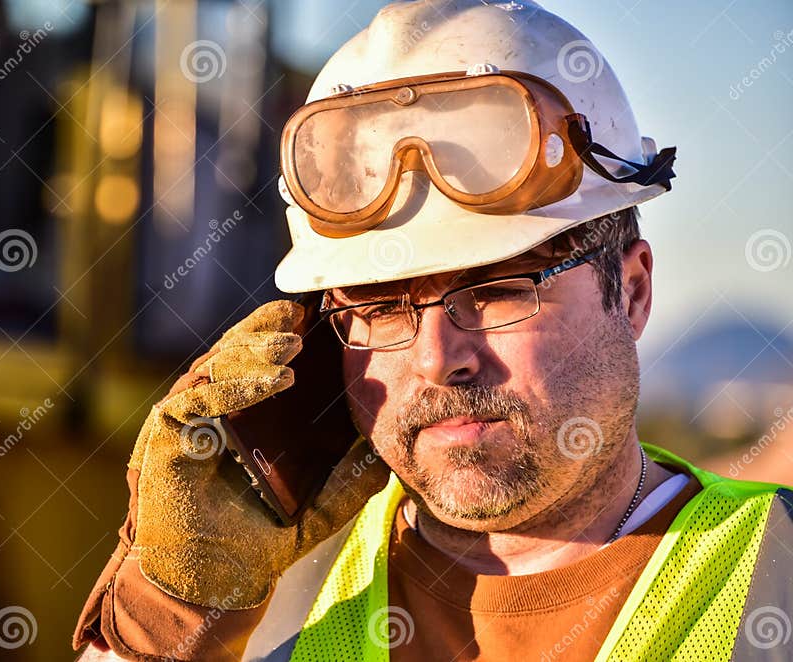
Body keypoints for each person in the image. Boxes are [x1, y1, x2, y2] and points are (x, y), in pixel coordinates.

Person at [73, 2, 793, 660]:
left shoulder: (776, 570)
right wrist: (163, 621)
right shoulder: (265, 599)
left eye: (496, 292)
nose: (436, 359)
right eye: (381, 309)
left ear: (631, 291)